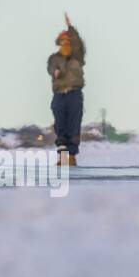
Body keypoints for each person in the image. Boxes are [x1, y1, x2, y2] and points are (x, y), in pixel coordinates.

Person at [47, 14, 86, 166]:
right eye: (63, 41)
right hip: (59, 95)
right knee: (60, 124)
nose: (66, 43)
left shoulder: (78, 56)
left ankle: (72, 156)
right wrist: (55, 71)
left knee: (73, 124)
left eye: (68, 41)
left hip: (75, 94)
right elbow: (51, 68)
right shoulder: (54, 58)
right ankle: (62, 156)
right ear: (59, 42)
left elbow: (78, 43)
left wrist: (71, 28)